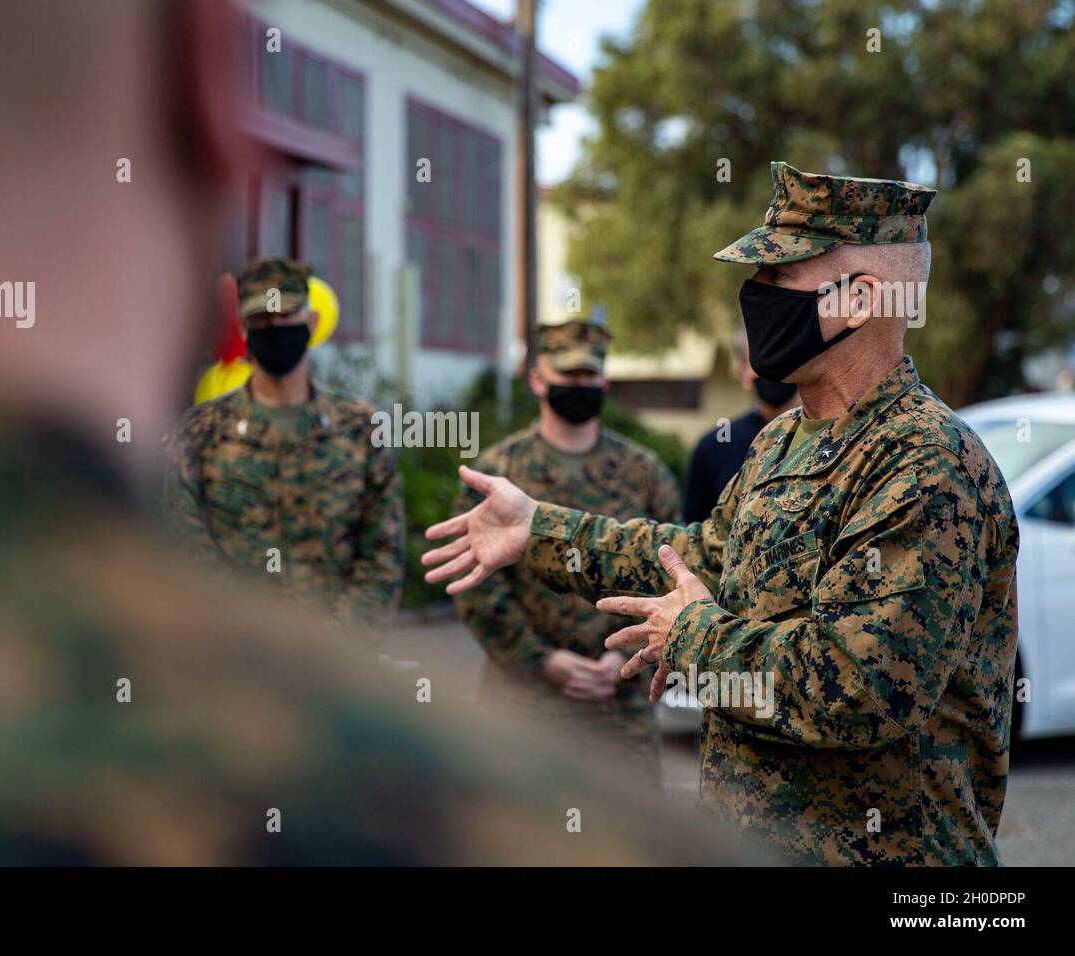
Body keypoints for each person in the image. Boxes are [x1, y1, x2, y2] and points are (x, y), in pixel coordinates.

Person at [0, 0, 760, 866]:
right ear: (211, 85)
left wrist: (332, 642)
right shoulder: (431, 814)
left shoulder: (388, 448)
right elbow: (192, 546)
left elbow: (386, 552)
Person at [423, 162, 1020, 866]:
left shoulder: (925, 463)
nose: (754, 299)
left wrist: (695, 639)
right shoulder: (781, 440)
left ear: (859, 299)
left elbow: (863, 687)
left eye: (778, 280)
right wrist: (543, 531)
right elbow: (701, 557)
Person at [452, 316, 678, 782]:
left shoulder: (643, 471)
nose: (580, 384)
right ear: (538, 380)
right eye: (568, 375)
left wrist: (625, 657)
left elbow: (673, 573)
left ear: (605, 381)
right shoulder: (500, 471)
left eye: (589, 375)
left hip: (620, 703)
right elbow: (475, 585)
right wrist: (541, 660)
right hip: (522, 704)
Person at [164, 256, 404, 630]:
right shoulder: (201, 431)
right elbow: (184, 546)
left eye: (285, 318)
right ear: (244, 329)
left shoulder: (359, 430)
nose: (274, 329)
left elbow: (381, 556)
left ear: (310, 323)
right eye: (262, 321)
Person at [683, 333, 799, 523]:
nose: (771, 365)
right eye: (759, 357)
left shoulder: (832, 435)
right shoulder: (716, 445)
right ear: (743, 373)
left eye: (778, 352)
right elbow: (696, 531)